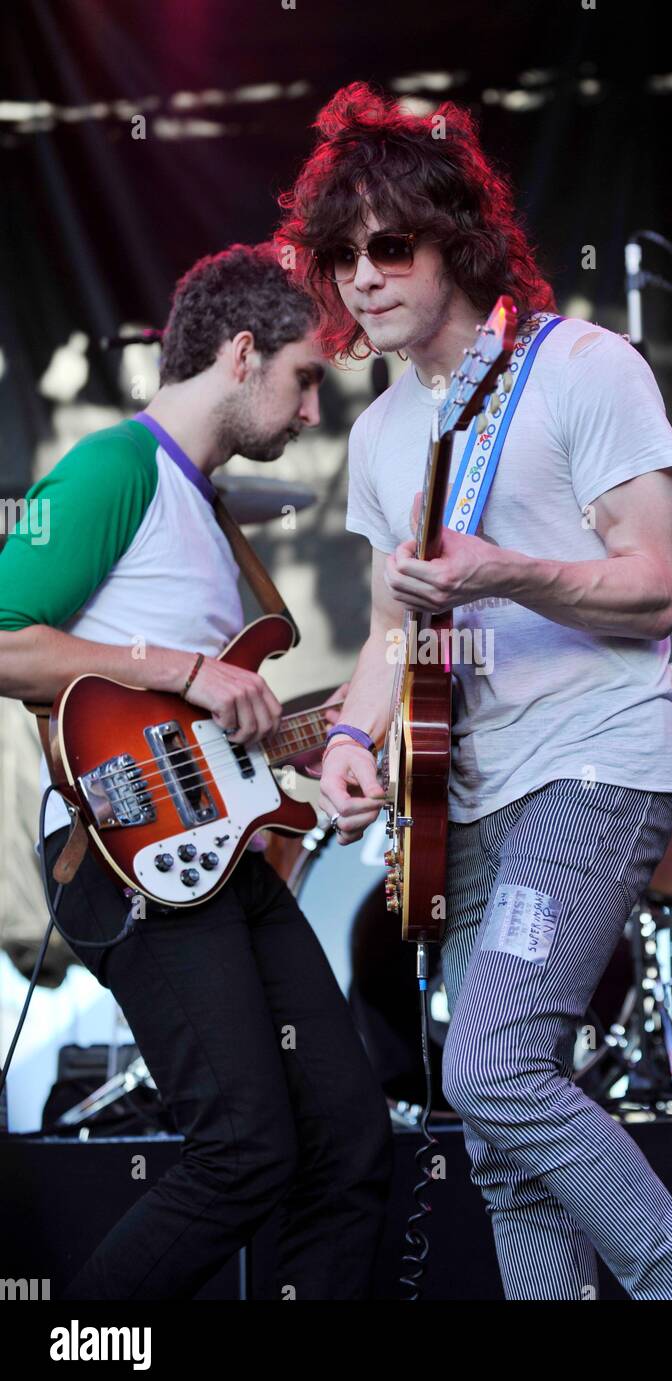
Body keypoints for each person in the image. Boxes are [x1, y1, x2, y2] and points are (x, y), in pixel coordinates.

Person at [277, 83, 672, 1301]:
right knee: (498, 1139)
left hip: (588, 765)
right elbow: (388, 628)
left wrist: (510, 571)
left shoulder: (586, 365)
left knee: (487, 1072)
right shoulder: (381, 434)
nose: (362, 277)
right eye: (340, 254)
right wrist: (352, 744)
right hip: (459, 801)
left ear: (457, 240)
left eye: (389, 245)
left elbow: (653, 589)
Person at [0, 242, 393, 1300]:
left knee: (350, 1143)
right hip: (125, 849)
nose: (315, 411)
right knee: (245, 1150)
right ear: (241, 351)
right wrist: (181, 668)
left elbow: (224, 734)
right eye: (306, 377)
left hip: (215, 855)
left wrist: (333, 752)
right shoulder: (114, 467)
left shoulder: (208, 510)